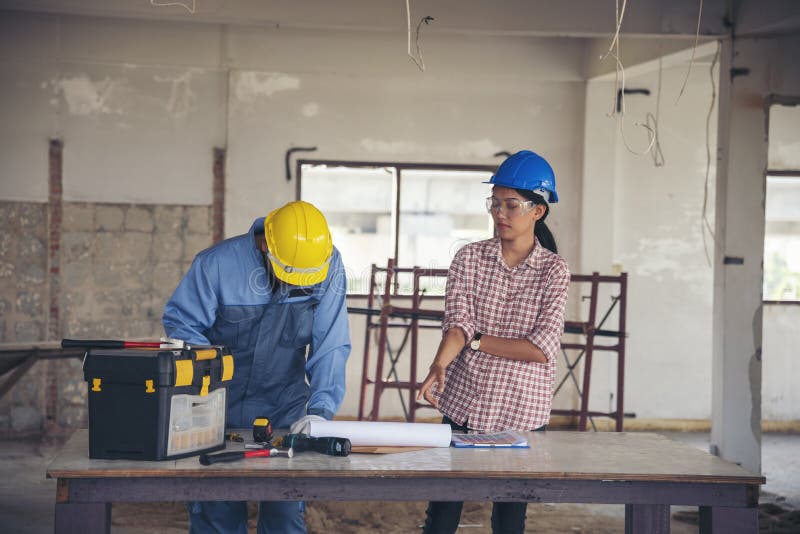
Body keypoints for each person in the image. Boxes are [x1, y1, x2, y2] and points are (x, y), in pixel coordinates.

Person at [163, 200, 351, 534]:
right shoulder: (216, 266)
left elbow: (331, 343)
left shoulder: (327, 263)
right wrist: (209, 390)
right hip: (218, 411)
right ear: (265, 244)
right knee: (216, 515)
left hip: (285, 410)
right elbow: (183, 323)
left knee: (285, 513)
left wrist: (320, 413)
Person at [417, 150, 570, 534]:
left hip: (522, 412)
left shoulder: (554, 271)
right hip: (466, 400)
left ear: (538, 210)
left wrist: (480, 341)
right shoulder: (469, 258)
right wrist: (440, 364)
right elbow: (457, 324)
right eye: (495, 204)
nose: (500, 214)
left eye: (511, 205)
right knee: (443, 511)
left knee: (509, 517)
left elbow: (541, 348)